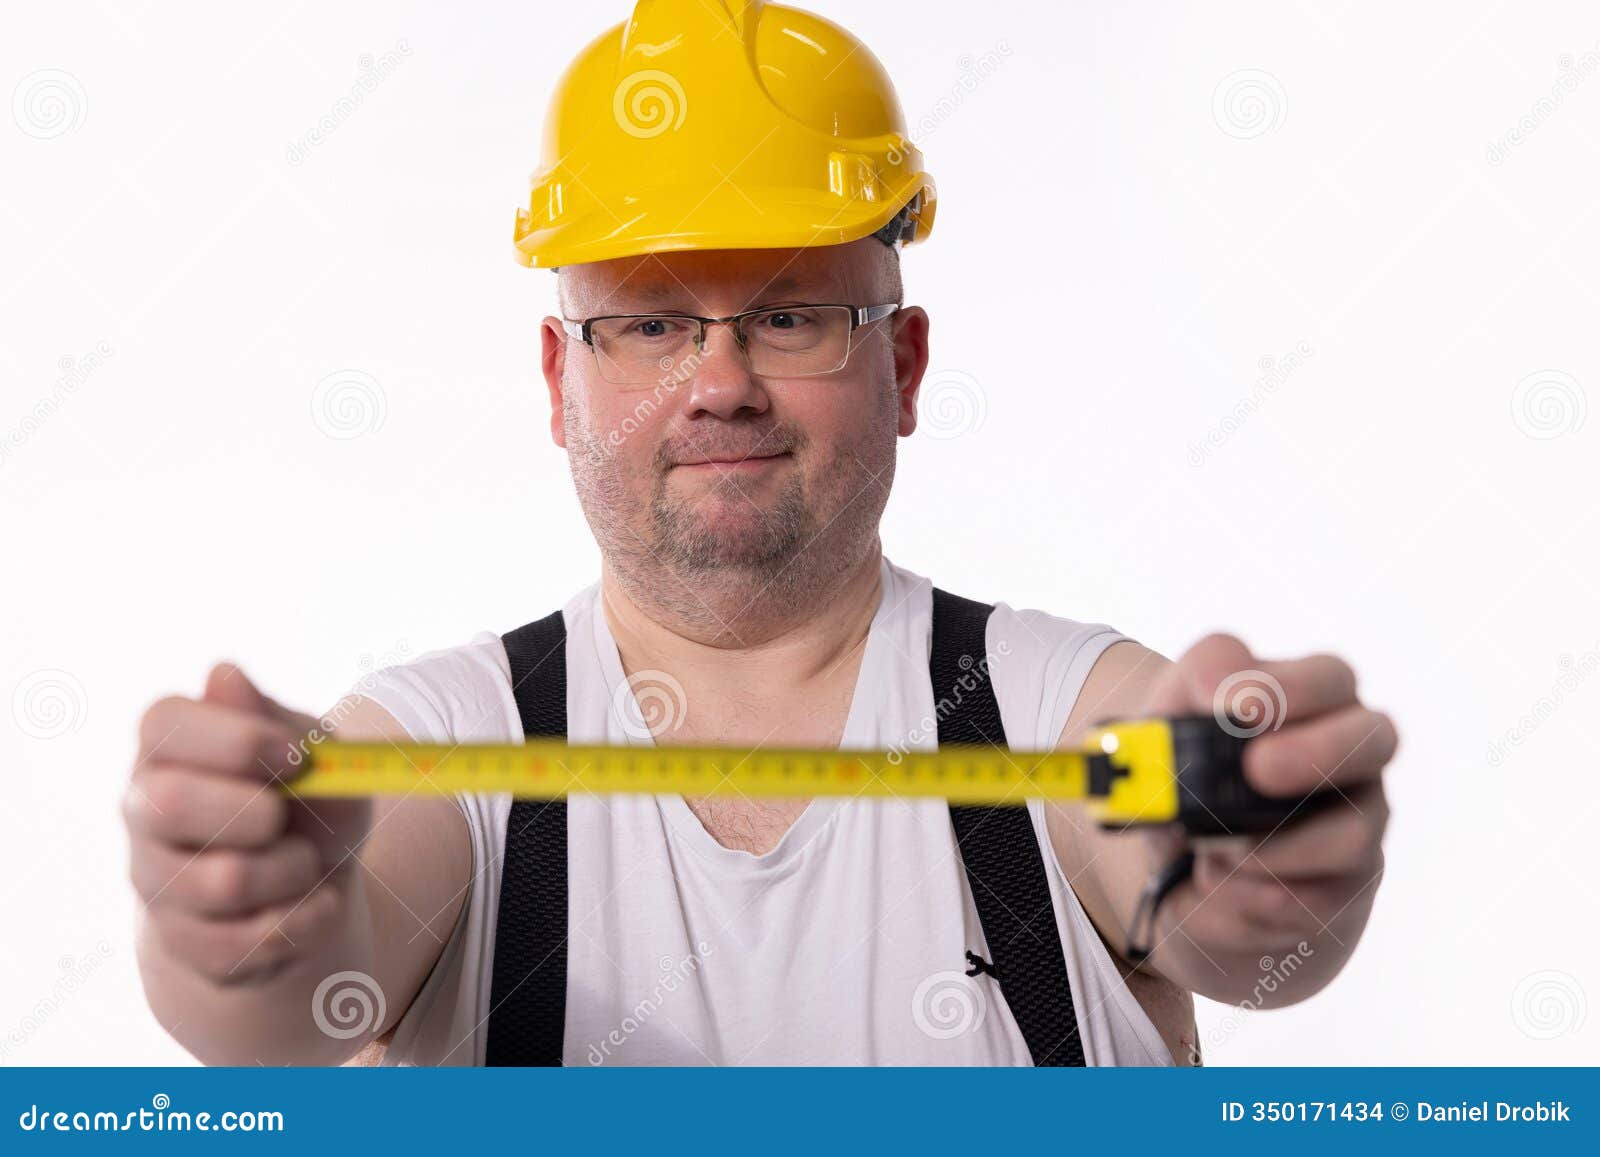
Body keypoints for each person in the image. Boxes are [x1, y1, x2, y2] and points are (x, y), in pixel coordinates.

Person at [123, 0, 1397, 1067]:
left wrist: (1255, 865)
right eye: (652, 322)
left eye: (791, 318)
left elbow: (1238, 937)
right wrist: (235, 931)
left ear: (901, 362)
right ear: (559, 385)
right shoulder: (448, 749)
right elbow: (282, 1005)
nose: (720, 381)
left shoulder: (1055, 711)